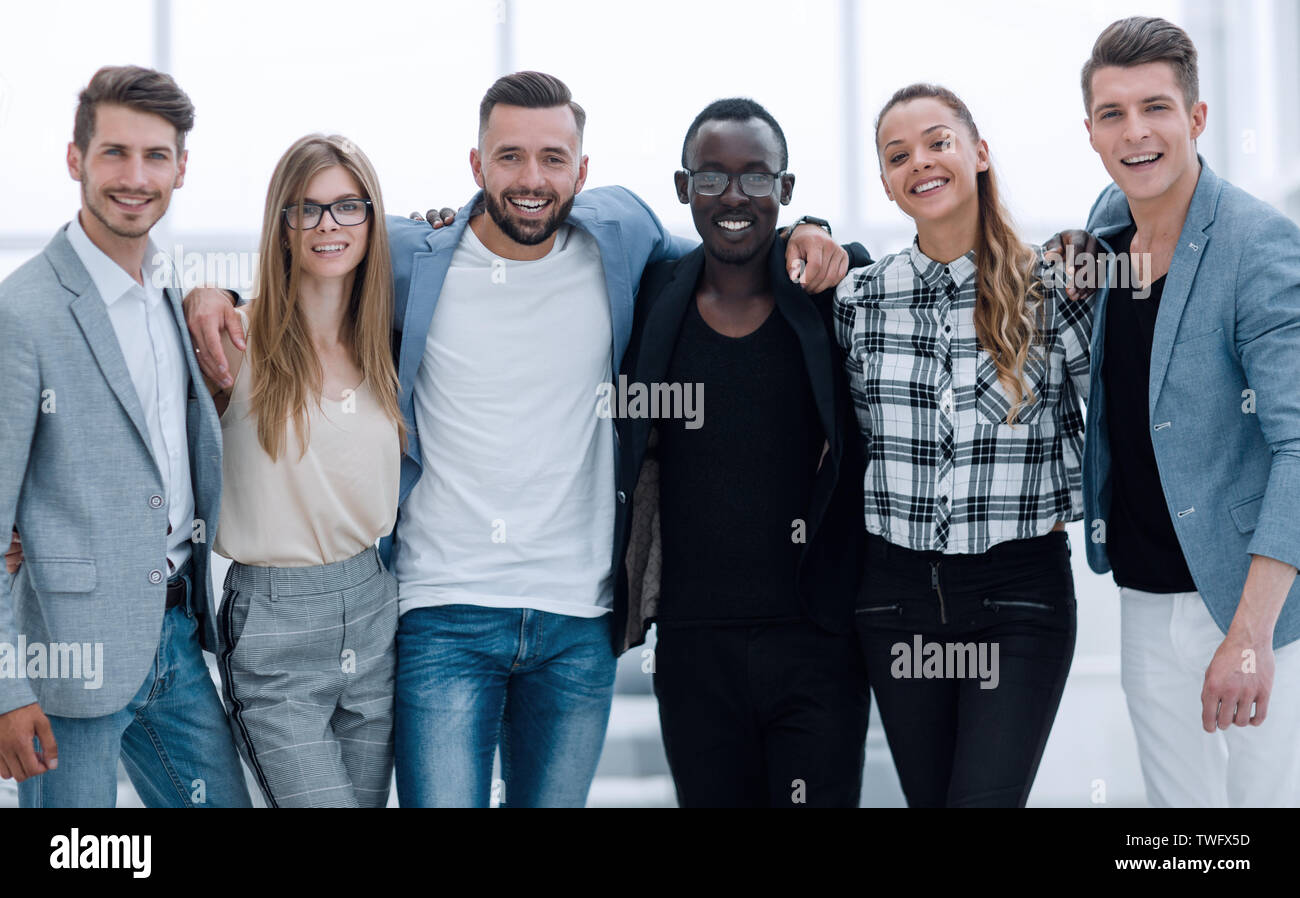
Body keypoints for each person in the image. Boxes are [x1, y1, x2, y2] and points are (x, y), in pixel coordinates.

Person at [183, 71, 846, 808]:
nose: (532, 179)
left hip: (578, 622)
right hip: (443, 613)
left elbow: (730, 242)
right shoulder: (411, 253)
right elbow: (315, 259)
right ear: (476, 165)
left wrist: (804, 230)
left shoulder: (621, 234)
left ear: (582, 172)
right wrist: (219, 296)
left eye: (553, 158)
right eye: (509, 157)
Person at [835, 83, 1092, 807]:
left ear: (979, 153)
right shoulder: (859, 300)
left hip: (1019, 597)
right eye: (897, 155)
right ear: (886, 184)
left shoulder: (1053, 287)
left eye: (938, 142)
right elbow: (857, 437)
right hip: (895, 600)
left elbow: (1111, 413)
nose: (920, 161)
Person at [0, 65, 250, 807]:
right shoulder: (23, 313)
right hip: (67, 655)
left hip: (176, 636)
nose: (135, 177)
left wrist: (224, 293)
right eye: (115, 153)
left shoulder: (172, 294)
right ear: (75, 159)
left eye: (155, 156)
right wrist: (7, 688)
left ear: (180, 169)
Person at [616, 98, 872, 807]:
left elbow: (876, 268)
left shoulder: (828, 293)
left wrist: (816, 233)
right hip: (693, 646)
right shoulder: (652, 295)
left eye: (757, 177)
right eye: (712, 177)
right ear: (683, 187)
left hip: (818, 643)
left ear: (785, 189)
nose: (734, 196)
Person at [1079, 16, 1300, 808]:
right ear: (1091, 131)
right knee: (1182, 833)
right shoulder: (1107, 222)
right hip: (1144, 593)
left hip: (1252, 603)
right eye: (1113, 113)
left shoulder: (1258, 243)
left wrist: (1250, 635)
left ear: (1197, 117)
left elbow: (1298, 446)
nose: (1135, 132)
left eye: (1156, 108)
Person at [202, 134, 405, 807]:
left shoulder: (387, 345)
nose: (327, 226)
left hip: (374, 610)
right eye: (306, 209)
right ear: (281, 224)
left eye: (348, 206)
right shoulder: (234, 338)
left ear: (371, 219)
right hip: (273, 622)